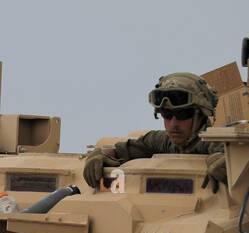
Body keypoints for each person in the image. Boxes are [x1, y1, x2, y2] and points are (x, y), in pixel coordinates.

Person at [83, 72, 224, 190]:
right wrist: (98, 155)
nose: (173, 124)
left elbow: (228, 153)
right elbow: (122, 150)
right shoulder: (163, 141)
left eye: (182, 115)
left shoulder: (215, 142)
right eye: (167, 115)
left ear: (200, 115)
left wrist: (229, 164)